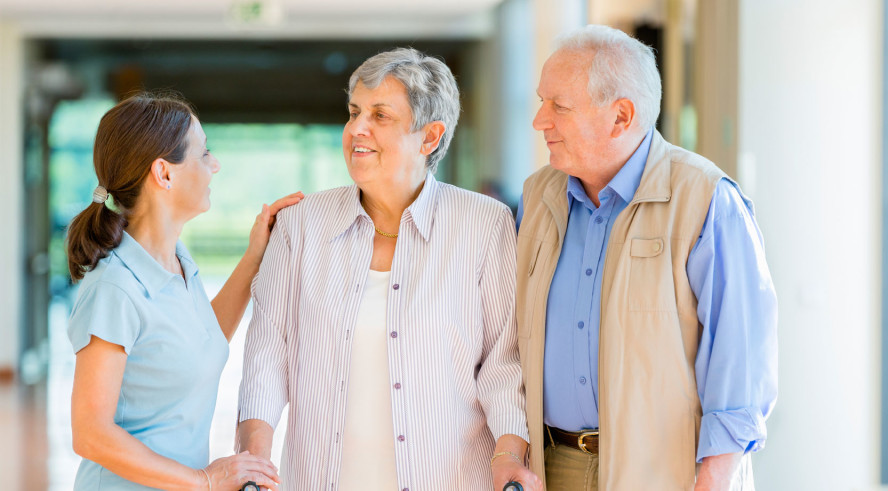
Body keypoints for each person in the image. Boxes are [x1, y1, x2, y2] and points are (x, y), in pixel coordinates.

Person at [235, 47, 541, 491]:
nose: (357, 128)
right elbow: (266, 358)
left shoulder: (483, 224)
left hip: (450, 479)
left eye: (380, 115)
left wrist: (510, 455)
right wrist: (254, 466)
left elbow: (503, 363)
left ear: (429, 137)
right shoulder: (300, 226)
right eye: (354, 111)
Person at [516, 25, 778, 490]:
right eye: (542, 101)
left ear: (620, 117)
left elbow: (742, 360)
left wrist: (714, 478)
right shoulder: (538, 196)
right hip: (551, 468)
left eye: (558, 105)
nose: (540, 121)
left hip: (665, 473)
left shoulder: (705, 197)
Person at [65, 93, 302, 490]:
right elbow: (90, 433)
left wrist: (254, 257)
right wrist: (204, 480)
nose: (215, 165)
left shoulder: (177, 261)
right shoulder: (114, 288)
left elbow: (199, 341)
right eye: (204, 153)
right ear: (164, 173)